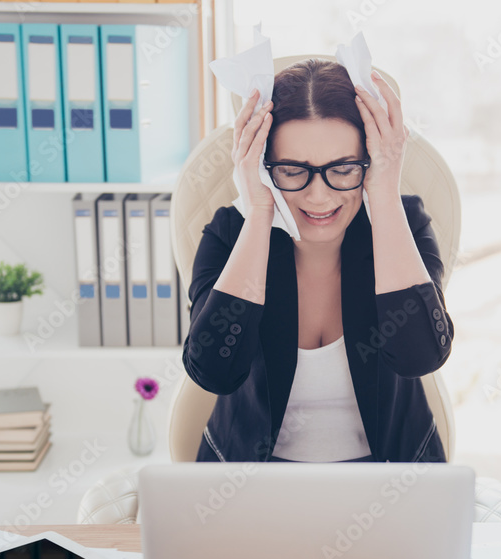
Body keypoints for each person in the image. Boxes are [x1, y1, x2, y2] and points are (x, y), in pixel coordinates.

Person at [182, 59, 454, 463]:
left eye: (343, 168)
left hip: (392, 483)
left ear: (369, 162)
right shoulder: (231, 231)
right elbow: (213, 372)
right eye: (293, 170)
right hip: (249, 485)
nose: (319, 197)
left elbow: (421, 356)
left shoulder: (402, 221)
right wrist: (258, 212)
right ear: (262, 167)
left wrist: (383, 195)